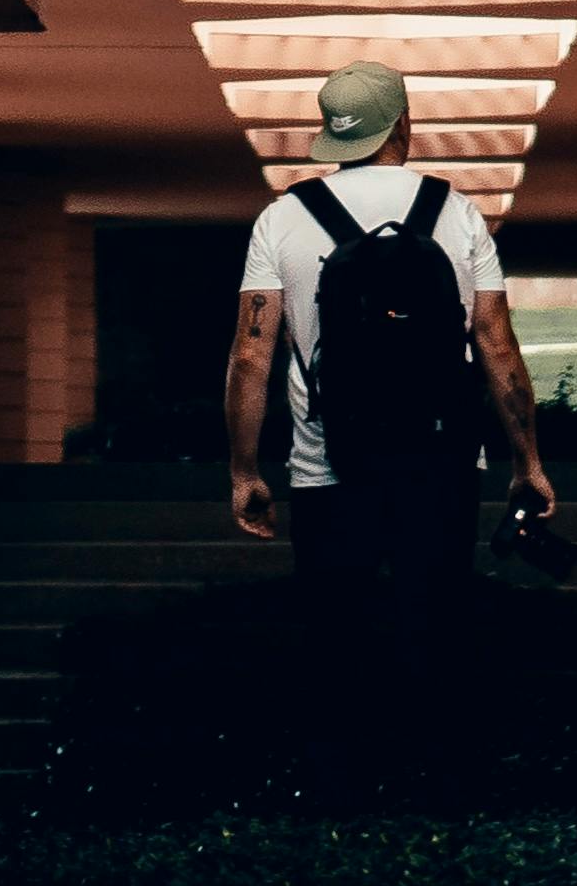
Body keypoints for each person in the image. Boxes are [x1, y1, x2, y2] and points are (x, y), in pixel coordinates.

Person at [222, 55, 555, 612]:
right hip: (443, 464)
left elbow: (251, 357)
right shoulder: (456, 213)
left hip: (326, 467)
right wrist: (529, 464)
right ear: (404, 122)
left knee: (338, 645)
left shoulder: (282, 220)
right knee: (432, 641)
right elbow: (496, 346)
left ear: (332, 130)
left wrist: (244, 471)